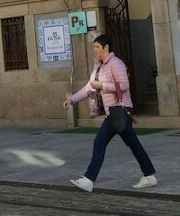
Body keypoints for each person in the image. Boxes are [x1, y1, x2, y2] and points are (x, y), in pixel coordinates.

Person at [64, 34, 157, 193]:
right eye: (94, 47)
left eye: (97, 47)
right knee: (132, 144)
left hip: (120, 111)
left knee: (100, 143)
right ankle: (149, 175)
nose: (95, 50)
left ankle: (89, 179)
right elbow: (88, 88)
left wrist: (102, 85)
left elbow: (124, 85)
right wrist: (72, 100)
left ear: (106, 47)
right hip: (113, 114)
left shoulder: (116, 63)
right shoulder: (99, 67)